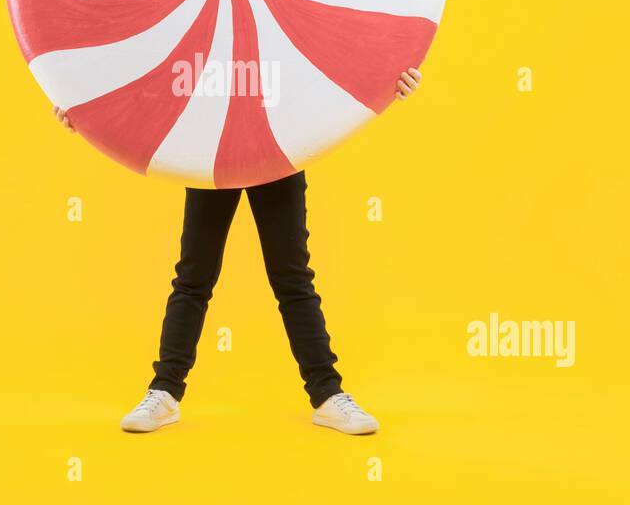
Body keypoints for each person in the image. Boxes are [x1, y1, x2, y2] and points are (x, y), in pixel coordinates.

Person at [54, 68, 423, 435]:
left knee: (292, 278)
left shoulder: (280, 28)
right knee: (193, 277)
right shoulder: (201, 31)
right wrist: (88, 114)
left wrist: (388, 81)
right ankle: (164, 392)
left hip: (278, 149)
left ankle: (328, 395)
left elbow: (330, 64)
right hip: (213, 149)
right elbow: (152, 79)